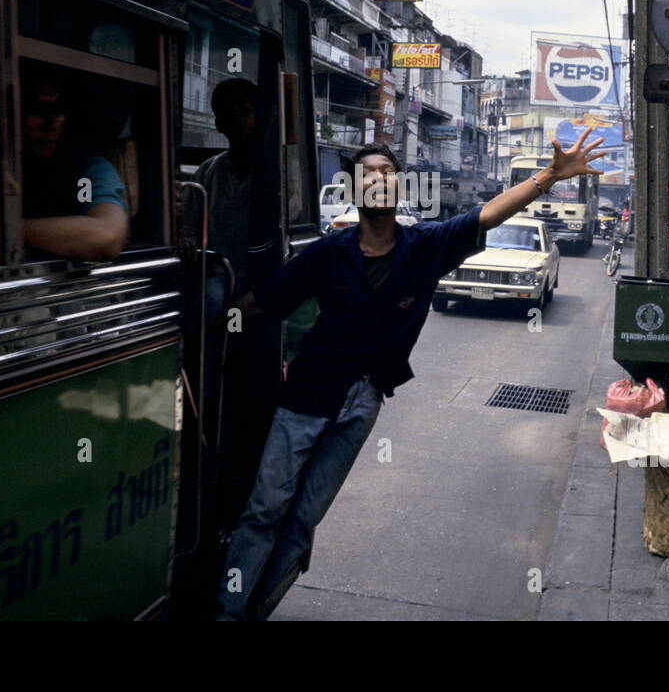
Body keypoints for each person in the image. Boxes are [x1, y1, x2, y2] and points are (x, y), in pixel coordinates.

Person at [214, 129, 610, 619]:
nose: (379, 180)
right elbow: (264, 301)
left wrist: (549, 176)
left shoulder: (425, 247)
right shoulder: (327, 252)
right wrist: (212, 326)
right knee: (264, 511)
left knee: (301, 523)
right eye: (368, 174)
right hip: (305, 396)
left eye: (388, 173)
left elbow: (488, 213)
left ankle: (257, 608)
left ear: (400, 188)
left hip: (362, 403)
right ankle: (226, 614)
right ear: (354, 189)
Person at [21, 78, 129, 261]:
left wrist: (4, 231)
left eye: (58, 111)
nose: (50, 122)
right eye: (37, 110)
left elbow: (105, 236)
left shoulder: (84, 174)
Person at [181, 78, 260, 312]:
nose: (237, 119)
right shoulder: (207, 172)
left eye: (244, 111)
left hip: (263, 275)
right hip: (218, 274)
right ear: (218, 124)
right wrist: (189, 245)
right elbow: (189, 227)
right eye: (228, 114)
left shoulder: (278, 170)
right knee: (210, 299)